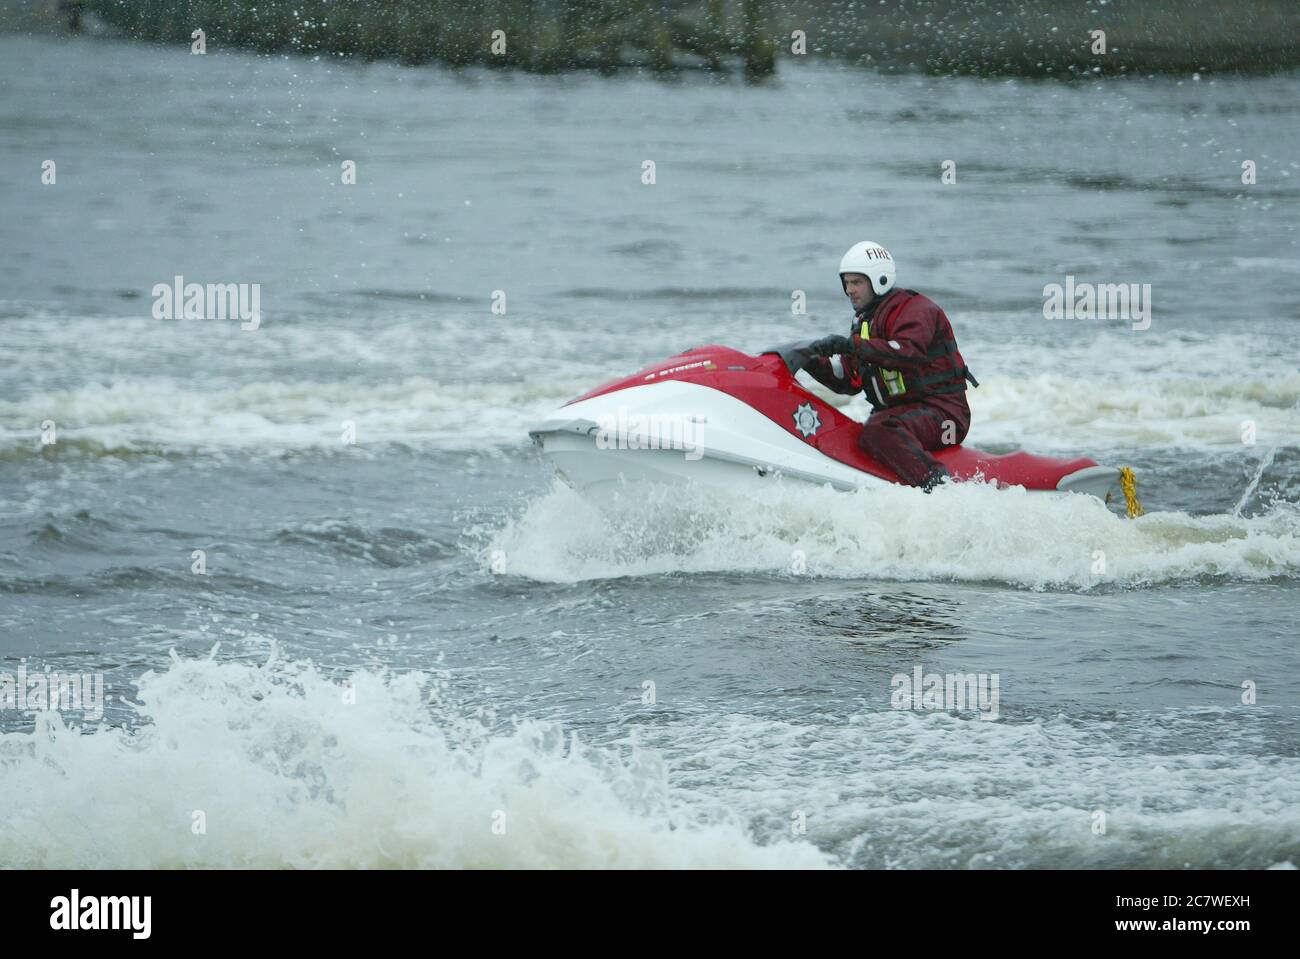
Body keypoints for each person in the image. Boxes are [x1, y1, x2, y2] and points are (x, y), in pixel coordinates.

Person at [804, 241, 978, 492]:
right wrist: (809, 359)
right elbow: (848, 381)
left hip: (945, 415)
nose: (850, 290)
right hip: (900, 415)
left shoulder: (915, 310)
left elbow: (907, 353)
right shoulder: (865, 321)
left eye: (857, 282)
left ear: (880, 280)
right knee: (862, 431)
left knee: (878, 431)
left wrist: (850, 346)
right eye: (847, 283)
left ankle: (941, 489)